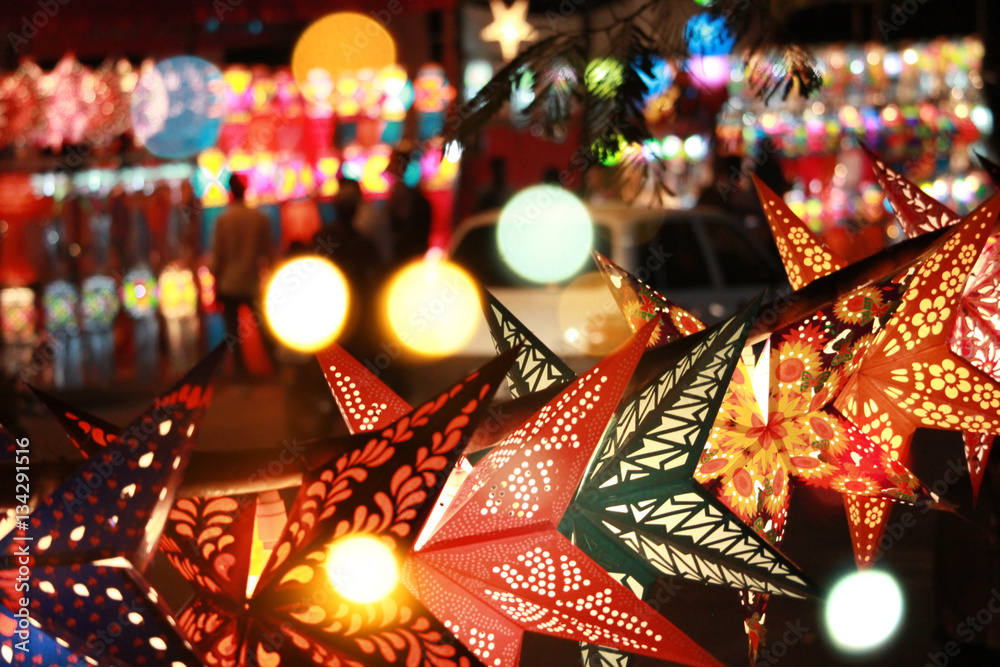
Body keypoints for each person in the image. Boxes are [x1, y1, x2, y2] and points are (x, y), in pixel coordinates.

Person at [211, 173, 274, 380]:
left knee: (232, 332)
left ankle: (241, 375)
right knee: (264, 328)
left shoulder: (223, 220)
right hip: (252, 282)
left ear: (230, 192)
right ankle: (277, 368)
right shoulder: (258, 218)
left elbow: (218, 256)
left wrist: (215, 283)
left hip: (228, 283)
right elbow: (269, 253)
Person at [385, 145, 432, 267]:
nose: (387, 168)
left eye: (392, 162)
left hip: (404, 263)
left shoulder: (409, 199)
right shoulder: (410, 197)